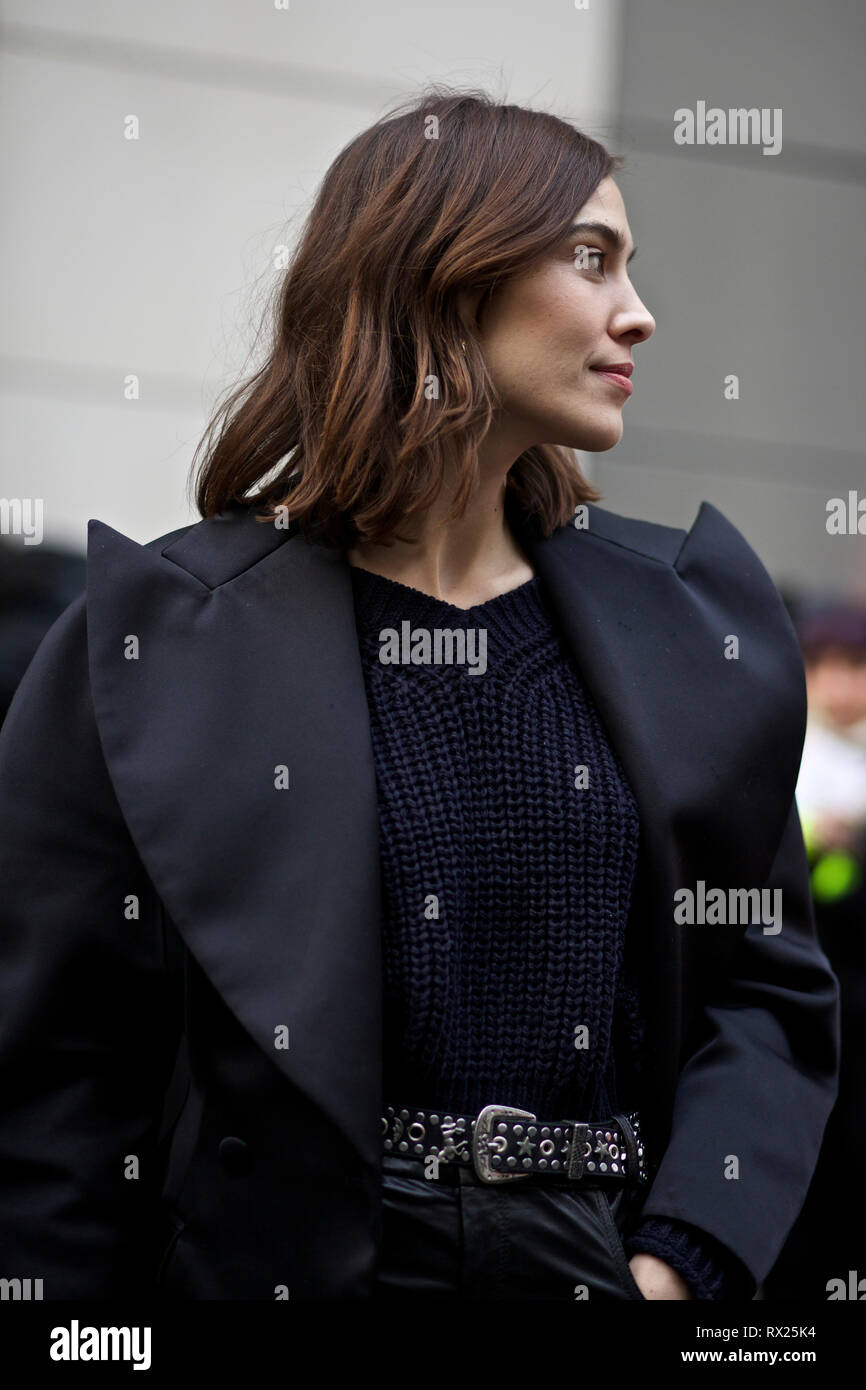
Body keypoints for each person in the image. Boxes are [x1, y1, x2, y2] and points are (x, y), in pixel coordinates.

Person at [0, 87, 839, 1302]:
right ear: (441, 279)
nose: (639, 315)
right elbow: (50, 1080)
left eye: (630, 266)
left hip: (597, 1271)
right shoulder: (154, 641)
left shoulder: (692, 619)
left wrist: (676, 1265)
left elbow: (763, 989)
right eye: (590, 259)